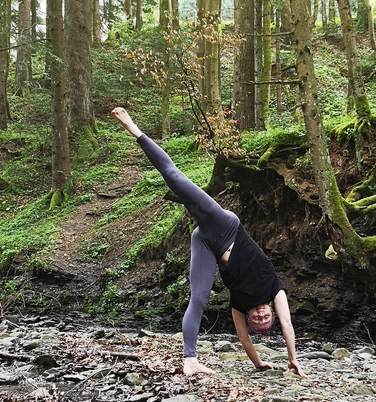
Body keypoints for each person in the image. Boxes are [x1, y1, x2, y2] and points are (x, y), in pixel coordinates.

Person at [111, 107, 306, 378]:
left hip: (206, 242)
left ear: (251, 318)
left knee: (199, 299)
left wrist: (258, 363)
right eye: (265, 318)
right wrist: (292, 357)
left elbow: (243, 337)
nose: (260, 316)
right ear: (270, 311)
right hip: (224, 227)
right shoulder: (276, 290)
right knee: (173, 177)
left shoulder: (240, 305)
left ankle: (189, 359)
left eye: (257, 320)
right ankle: (133, 127)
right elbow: (287, 323)